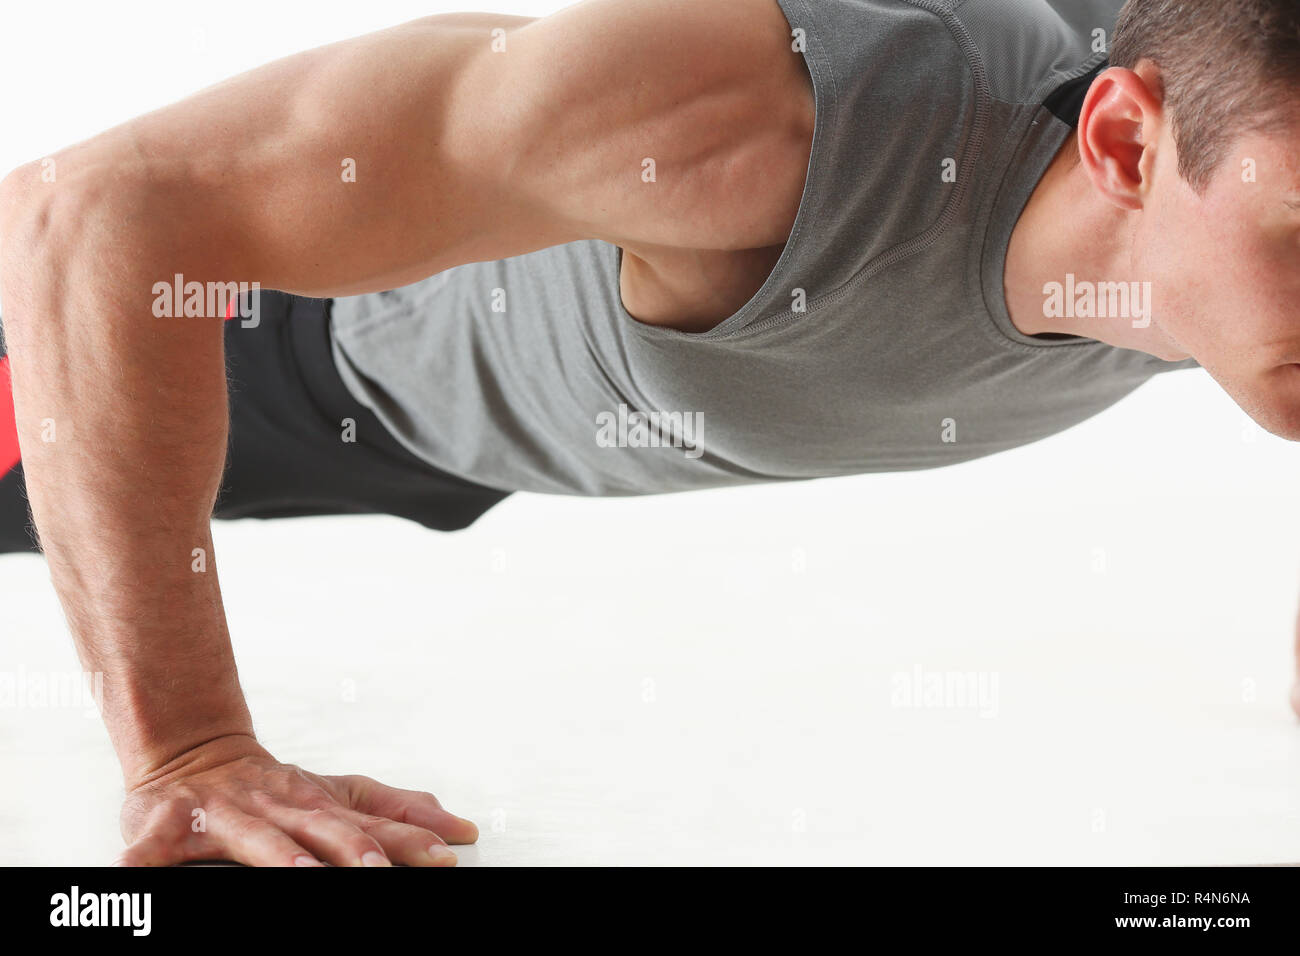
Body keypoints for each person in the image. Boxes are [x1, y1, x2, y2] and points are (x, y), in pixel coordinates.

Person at [0, 0, 1296, 866]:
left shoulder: (1231, 191)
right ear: (1123, 142)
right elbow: (94, 211)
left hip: (428, 435)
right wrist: (192, 748)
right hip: (213, 344)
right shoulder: (750, 117)